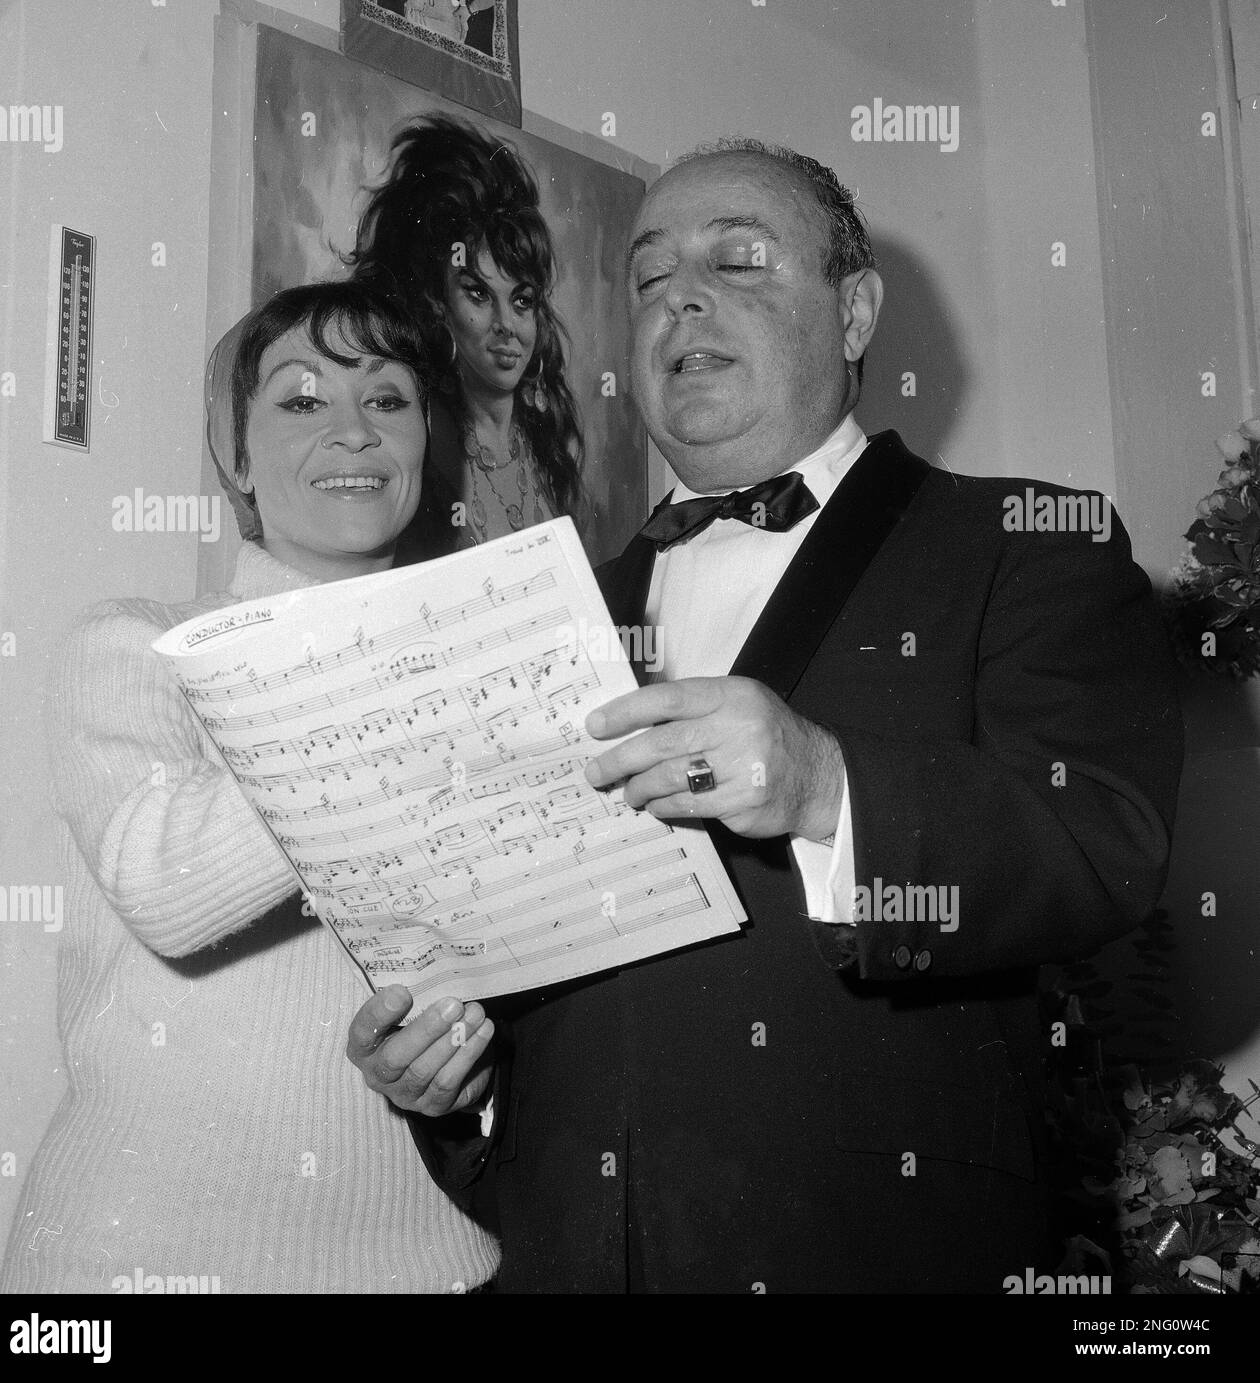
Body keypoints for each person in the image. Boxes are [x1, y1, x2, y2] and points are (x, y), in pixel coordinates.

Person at [346, 140, 1184, 1292]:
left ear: (854, 314)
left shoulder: (1027, 542)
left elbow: (1102, 840)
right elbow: (514, 976)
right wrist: (455, 1080)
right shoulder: (535, 613)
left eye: (736, 260)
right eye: (647, 279)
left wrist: (826, 784)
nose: (680, 295)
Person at [0, 282, 499, 1294]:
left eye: (390, 400)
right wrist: (404, 679)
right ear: (233, 454)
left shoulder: (482, 675)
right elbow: (172, 892)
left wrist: (473, 1072)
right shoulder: (136, 645)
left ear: (424, 442)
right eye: (303, 401)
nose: (353, 432)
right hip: (134, 1265)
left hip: (437, 1263)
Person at [347, 114, 584, 562]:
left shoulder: (549, 442)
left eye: (522, 301)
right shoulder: (419, 442)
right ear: (439, 301)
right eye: (478, 294)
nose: (505, 325)